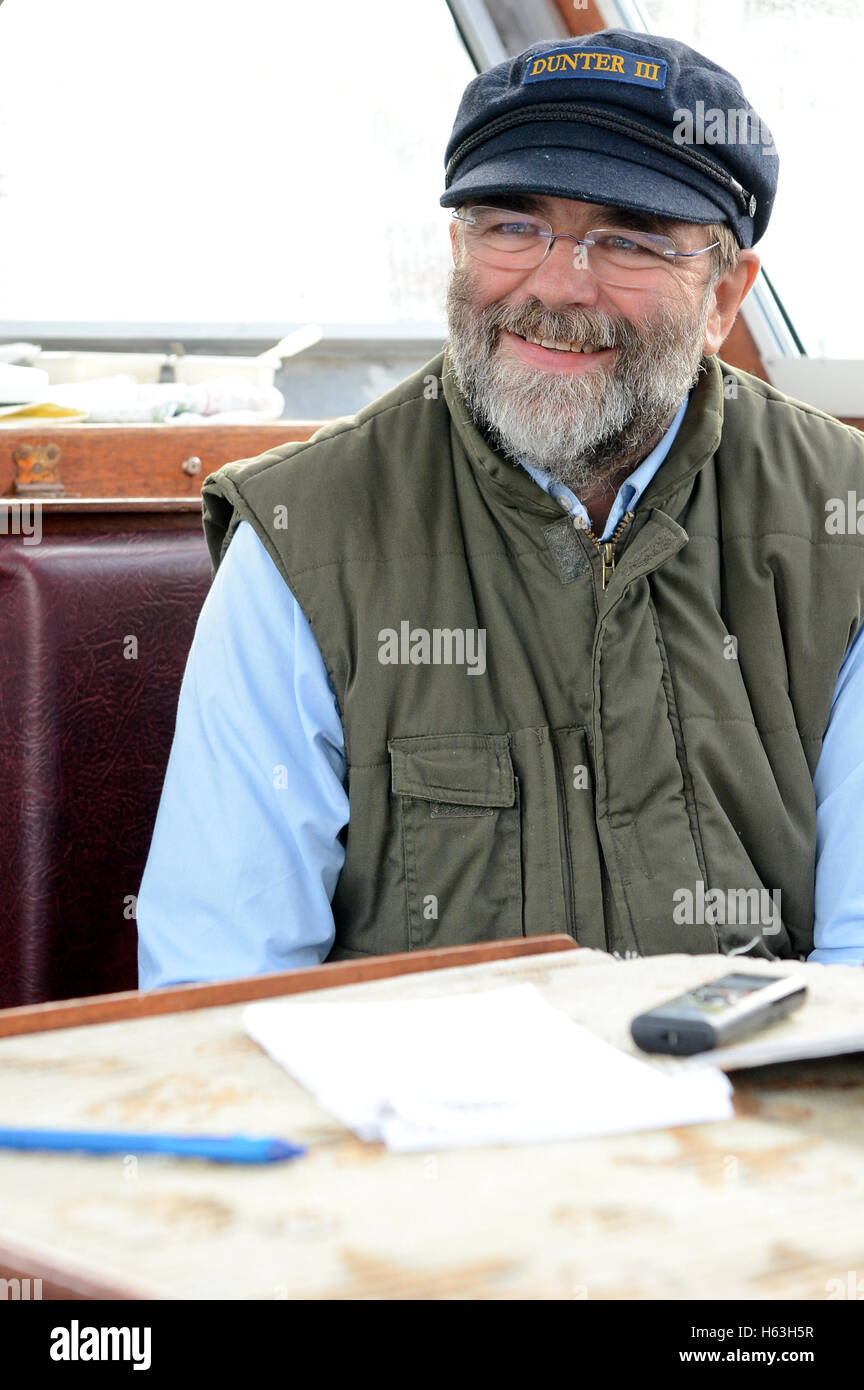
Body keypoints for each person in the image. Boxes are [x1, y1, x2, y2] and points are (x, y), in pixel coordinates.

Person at [137, 29, 864, 988]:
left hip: (758, 1119)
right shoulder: (300, 539)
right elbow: (217, 997)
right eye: (511, 225)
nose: (559, 283)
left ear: (725, 294)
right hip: (408, 1132)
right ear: (457, 247)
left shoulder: (841, 524)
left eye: (629, 238)